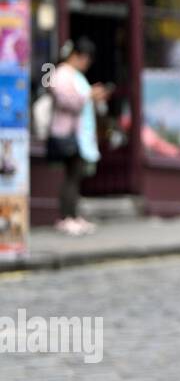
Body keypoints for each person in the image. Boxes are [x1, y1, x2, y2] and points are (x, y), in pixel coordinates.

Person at [48, 38, 108, 236]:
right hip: (68, 133)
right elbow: (65, 100)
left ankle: (73, 216)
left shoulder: (74, 75)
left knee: (76, 175)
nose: (86, 63)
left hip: (79, 134)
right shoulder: (62, 73)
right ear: (75, 56)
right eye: (84, 58)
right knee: (71, 177)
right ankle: (67, 218)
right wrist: (89, 96)